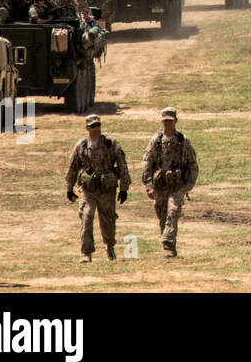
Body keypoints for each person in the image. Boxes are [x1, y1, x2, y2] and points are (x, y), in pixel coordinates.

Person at [65, 115, 131, 262]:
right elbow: (73, 168)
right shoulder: (81, 146)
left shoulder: (111, 144)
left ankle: (109, 247)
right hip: (88, 190)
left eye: (98, 125)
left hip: (107, 190)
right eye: (93, 126)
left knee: (107, 220)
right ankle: (86, 253)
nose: (96, 128)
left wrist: (124, 189)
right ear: (87, 128)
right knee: (86, 217)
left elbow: (122, 166)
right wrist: (70, 189)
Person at [141, 107, 199, 257]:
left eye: (170, 121)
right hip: (160, 185)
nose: (167, 124)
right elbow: (147, 163)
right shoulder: (156, 141)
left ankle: (167, 241)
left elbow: (193, 163)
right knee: (162, 215)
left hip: (177, 186)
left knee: (172, 211)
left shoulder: (183, 141)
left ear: (176, 121)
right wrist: (149, 186)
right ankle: (169, 246)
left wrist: (190, 184)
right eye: (165, 121)